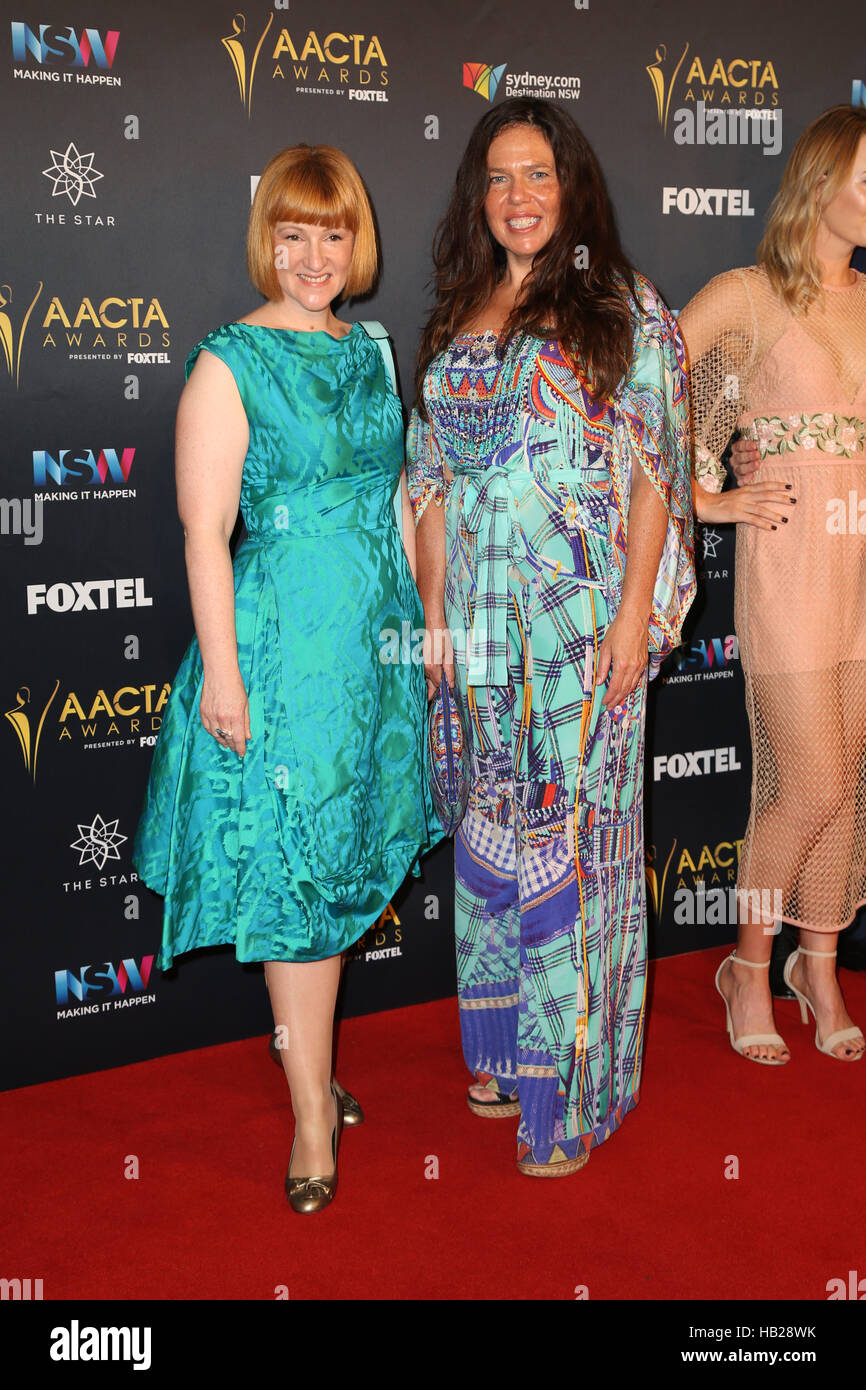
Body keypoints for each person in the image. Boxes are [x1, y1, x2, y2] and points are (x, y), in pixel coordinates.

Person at [133, 144, 441, 1211]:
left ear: (358, 242)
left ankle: (304, 1055)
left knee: (345, 860)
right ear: (267, 238)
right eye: (295, 233)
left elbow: (396, 500)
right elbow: (204, 531)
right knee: (299, 876)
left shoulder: (371, 351)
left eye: (336, 233)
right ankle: (311, 1110)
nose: (315, 255)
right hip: (281, 651)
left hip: (373, 646)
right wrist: (224, 675)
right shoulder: (231, 361)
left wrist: (423, 630)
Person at [408, 97, 696, 1176]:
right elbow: (427, 478)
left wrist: (632, 614)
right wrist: (434, 617)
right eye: (496, 178)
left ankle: (568, 1092)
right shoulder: (455, 310)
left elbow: (657, 470)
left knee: (567, 843)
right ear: (474, 197)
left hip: (578, 633)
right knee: (491, 829)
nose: (516, 196)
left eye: (536, 175)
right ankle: (497, 1051)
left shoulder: (624, 307)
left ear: (570, 188)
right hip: (478, 634)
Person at [683, 104, 866, 1064]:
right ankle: (750, 964)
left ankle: (819, 964)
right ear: (820, 182)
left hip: (864, 575)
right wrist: (710, 495)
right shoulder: (748, 295)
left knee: (849, 789)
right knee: (812, 783)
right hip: (790, 569)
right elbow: (647, 392)